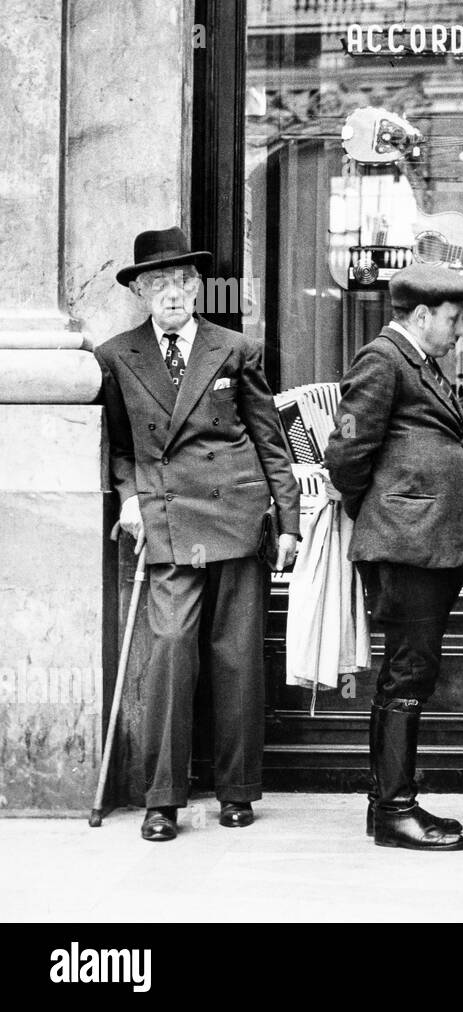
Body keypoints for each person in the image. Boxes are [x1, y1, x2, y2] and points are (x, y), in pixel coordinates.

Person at [96, 227, 301, 841]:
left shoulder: (236, 349)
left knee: (237, 659)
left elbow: (270, 439)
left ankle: (238, 792)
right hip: (165, 515)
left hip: (237, 515)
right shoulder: (115, 356)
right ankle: (164, 799)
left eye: (181, 281)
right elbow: (120, 446)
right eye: (156, 283)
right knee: (169, 653)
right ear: (140, 293)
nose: (171, 293)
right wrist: (129, 497)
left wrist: (288, 521)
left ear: (197, 286)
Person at [324, 264, 463, 852]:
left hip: (424, 543)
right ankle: (395, 809)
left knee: (411, 669)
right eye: (452, 318)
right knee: (409, 671)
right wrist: (386, 508)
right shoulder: (383, 358)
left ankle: (387, 804)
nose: (458, 329)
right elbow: (347, 452)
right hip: (408, 544)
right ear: (420, 316)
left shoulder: (417, 361)